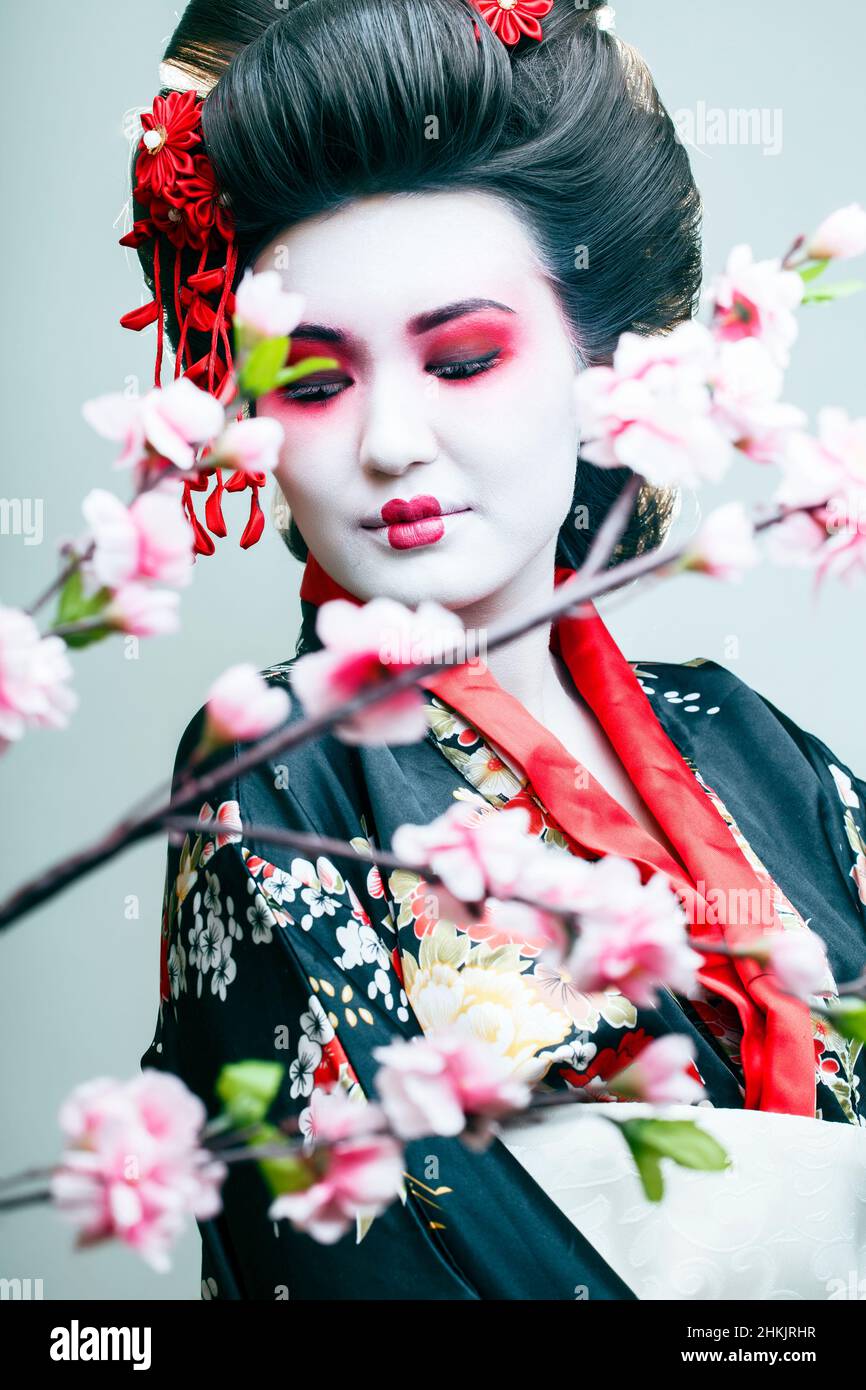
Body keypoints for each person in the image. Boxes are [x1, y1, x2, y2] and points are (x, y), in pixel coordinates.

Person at [136, 0, 866, 1300]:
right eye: (312, 383)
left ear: (600, 364)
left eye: (462, 357)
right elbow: (367, 1244)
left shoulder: (768, 755)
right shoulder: (277, 765)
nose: (389, 441)